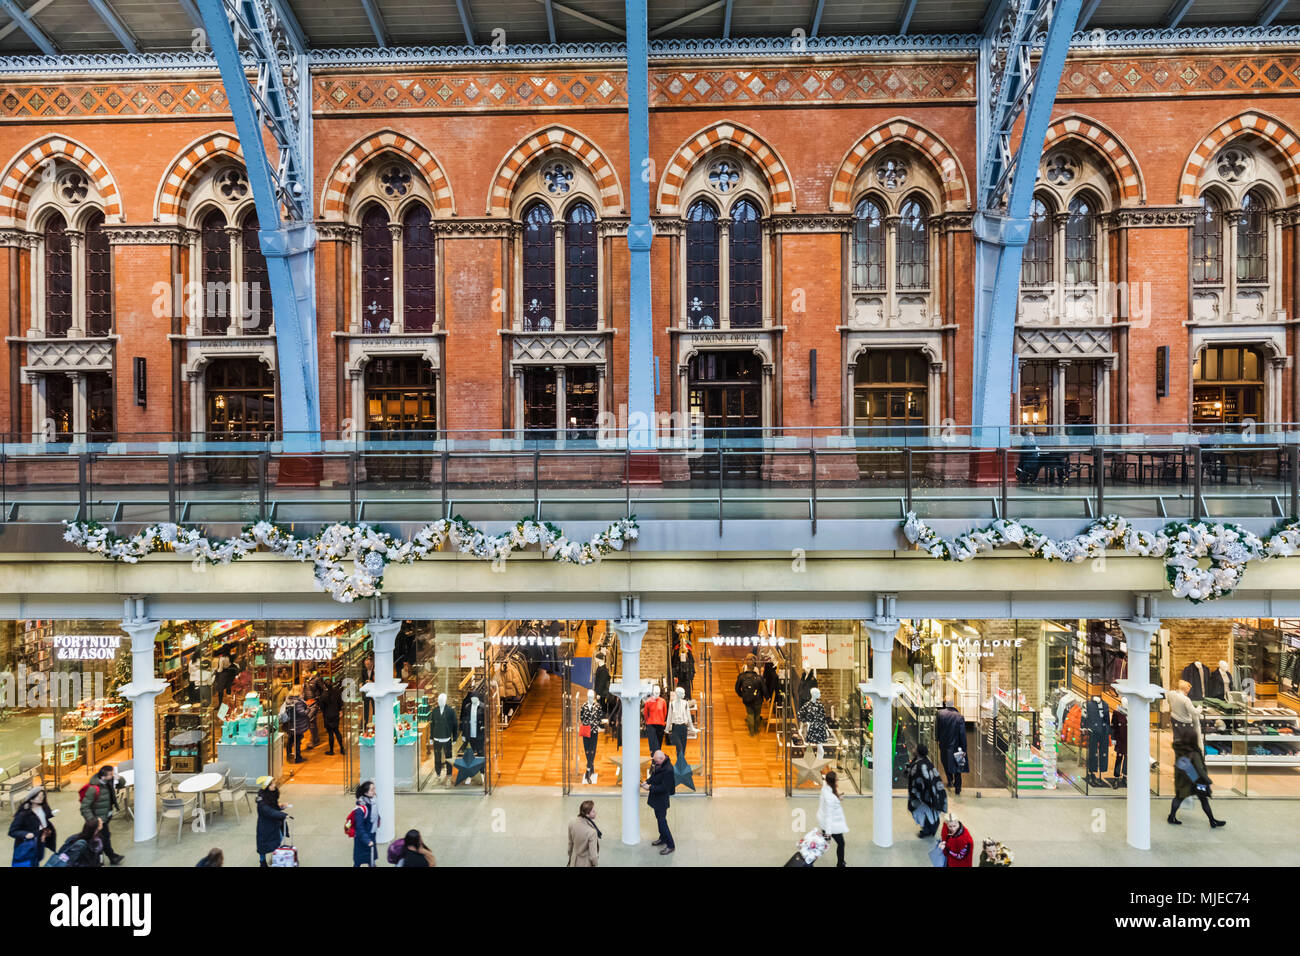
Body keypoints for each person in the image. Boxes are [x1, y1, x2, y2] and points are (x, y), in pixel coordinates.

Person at [1168, 686, 1226, 828]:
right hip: (1195, 780)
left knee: (1180, 797)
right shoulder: (1194, 752)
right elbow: (1199, 768)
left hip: (1184, 779)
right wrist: (1206, 779)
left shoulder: (1180, 748)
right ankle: (1211, 820)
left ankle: (1173, 816)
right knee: (1202, 799)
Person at [78, 765, 124, 865]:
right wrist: (94, 821)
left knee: (103, 838)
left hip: (106, 816)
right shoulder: (93, 789)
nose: (112, 776)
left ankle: (107, 858)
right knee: (104, 837)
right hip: (99, 819)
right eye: (111, 774)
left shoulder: (109, 782)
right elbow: (84, 807)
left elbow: (121, 785)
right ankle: (110, 857)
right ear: (103, 776)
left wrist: (118, 778)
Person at [907, 744, 948, 838]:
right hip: (927, 795)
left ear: (918, 752)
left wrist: (925, 796)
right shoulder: (923, 762)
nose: (913, 749)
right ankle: (929, 828)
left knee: (926, 812)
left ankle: (928, 830)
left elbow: (925, 781)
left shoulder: (921, 765)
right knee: (927, 812)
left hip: (926, 796)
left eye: (915, 748)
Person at [9, 786, 56, 867]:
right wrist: (25, 834)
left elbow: (45, 818)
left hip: (40, 839)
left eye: (43, 796)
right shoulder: (24, 813)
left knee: (38, 858)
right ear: (31, 799)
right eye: (39, 796)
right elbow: (12, 831)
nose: (42, 798)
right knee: (29, 862)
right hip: (28, 844)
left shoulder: (44, 807)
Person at [640, 749, 676, 855]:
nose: (655, 763)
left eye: (656, 761)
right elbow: (655, 776)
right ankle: (663, 838)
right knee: (659, 819)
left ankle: (670, 845)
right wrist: (647, 781)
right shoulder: (661, 764)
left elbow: (665, 788)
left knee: (662, 822)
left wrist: (649, 788)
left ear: (661, 758)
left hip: (661, 800)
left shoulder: (668, 770)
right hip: (657, 798)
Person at [254, 779, 291, 867]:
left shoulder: (272, 794)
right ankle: (262, 862)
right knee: (262, 844)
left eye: (273, 783)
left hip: (274, 822)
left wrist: (281, 807)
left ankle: (274, 855)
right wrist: (283, 815)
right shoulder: (261, 802)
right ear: (267, 787)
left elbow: (274, 807)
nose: (274, 785)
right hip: (265, 825)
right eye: (271, 784)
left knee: (279, 837)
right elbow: (269, 811)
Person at [935, 699, 969, 795]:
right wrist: (964, 748)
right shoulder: (959, 717)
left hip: (944, 743)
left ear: (945, 704)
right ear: (953, 704)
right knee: (958, 765)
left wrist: (937, 739)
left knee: (945, 762)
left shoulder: (940, 714)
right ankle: (958, 787)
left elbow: (937, 728)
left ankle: (950, 780)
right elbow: (962, 734)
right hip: (957, 745)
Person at [817, 771, 849, 867]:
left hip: (825, 822)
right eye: (836, 779)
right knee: (841, 843)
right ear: (833, 781)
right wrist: (828, 832)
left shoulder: (825, 789)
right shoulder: (830, 798)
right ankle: (840, 863)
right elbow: (829, 816)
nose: (838, 780)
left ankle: (809, 857)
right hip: (832, 826)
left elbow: (831, 797)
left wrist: (838, 797)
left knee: (822, 844)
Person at [280, 684, 311, 764]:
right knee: (297, 741)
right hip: (298, 724)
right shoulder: (297, 702)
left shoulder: (289, 699)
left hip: (291, 723)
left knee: (291, 740)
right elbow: (302, 713)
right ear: (299, 691)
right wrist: (308, 709)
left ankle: (289, 754)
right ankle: (298, 758)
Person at [352, 780, 379, 867]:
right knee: (359, 862)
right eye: (372, 789)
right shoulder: (360, 809)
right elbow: (359, 827)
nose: (374, 791)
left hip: (370, 837)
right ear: (366, 793)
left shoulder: (372, 802)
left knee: (371, 861)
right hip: (363, 840)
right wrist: (367, 841)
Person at [734, 659, 765, 736]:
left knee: (750, 714)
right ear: (754, 667)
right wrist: (767, 697)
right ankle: (756, 729)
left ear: (747, 666)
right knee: (757, 714)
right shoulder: (759, 678)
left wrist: (742, 695)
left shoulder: (741, 677)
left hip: (747, 698)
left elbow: (737, 688)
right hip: (758, 699)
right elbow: (764, 689)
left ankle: (751, 732)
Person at [567, 799, 601, 867]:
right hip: (586, 863)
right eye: (593, 811)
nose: (596, 813)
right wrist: (595, 864)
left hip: (574, 861)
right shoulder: (592, 832)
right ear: (587, 814)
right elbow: (593, 856)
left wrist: (571, 858)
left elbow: (570, 845)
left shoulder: (572, 823)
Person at [320, 677, 345, 755]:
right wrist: (340, 710)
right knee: (337, 731)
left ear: (325, 686)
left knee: (330, 733)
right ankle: (342, 748)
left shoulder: (323, 695)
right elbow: (340, 703)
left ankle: (331, 750)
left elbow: (322, 707)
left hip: (327, 716)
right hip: (335, 714)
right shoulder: (336, 692)